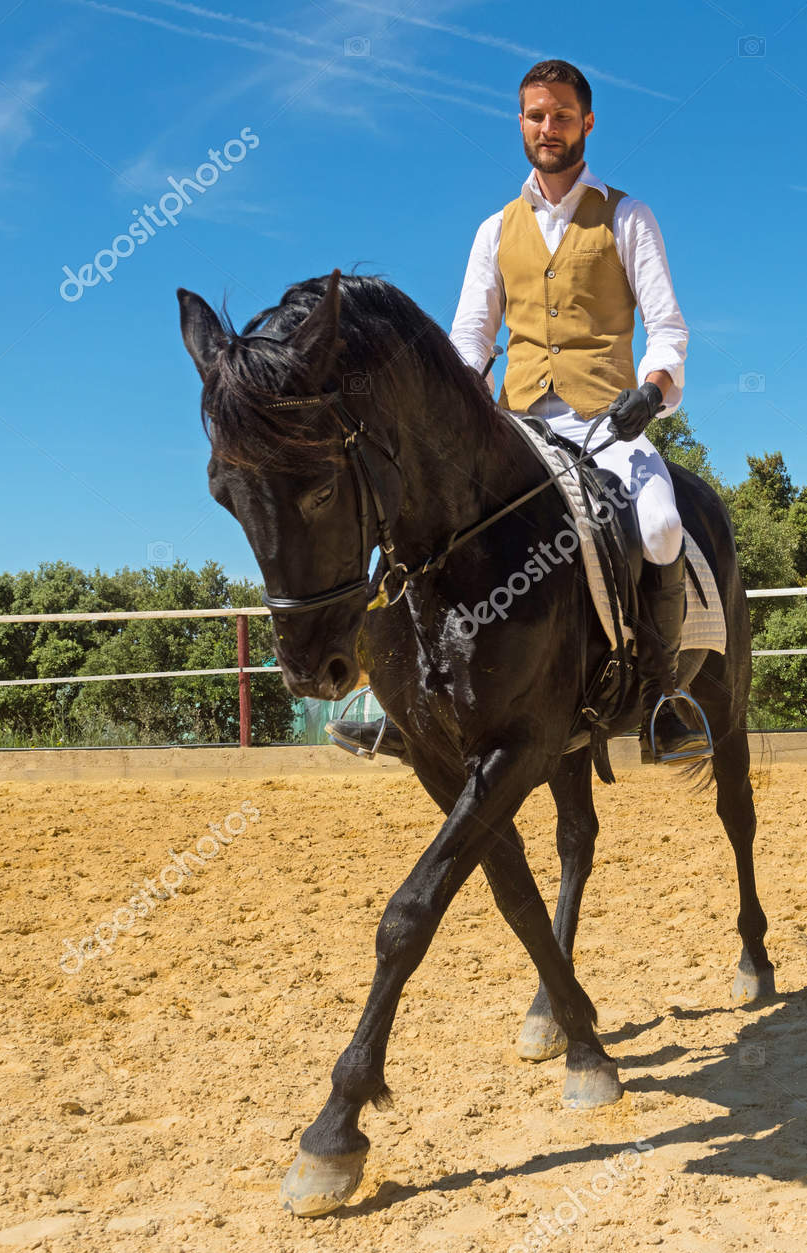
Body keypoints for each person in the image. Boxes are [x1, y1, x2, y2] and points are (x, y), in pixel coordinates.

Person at [330, 57, 708, 763]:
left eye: (562, 114)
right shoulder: (493, 230)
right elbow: (469, 339)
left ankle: (662, 697)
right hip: (518, 422)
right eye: (536, 115)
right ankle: (389, 696)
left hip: (607, 423)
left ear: (587, 122)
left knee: (660, 524)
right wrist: (452, 410)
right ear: (521, 123)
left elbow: (668, 327)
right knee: (412, 505)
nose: (548, 126)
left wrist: (652, 390)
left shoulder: (627, 216)